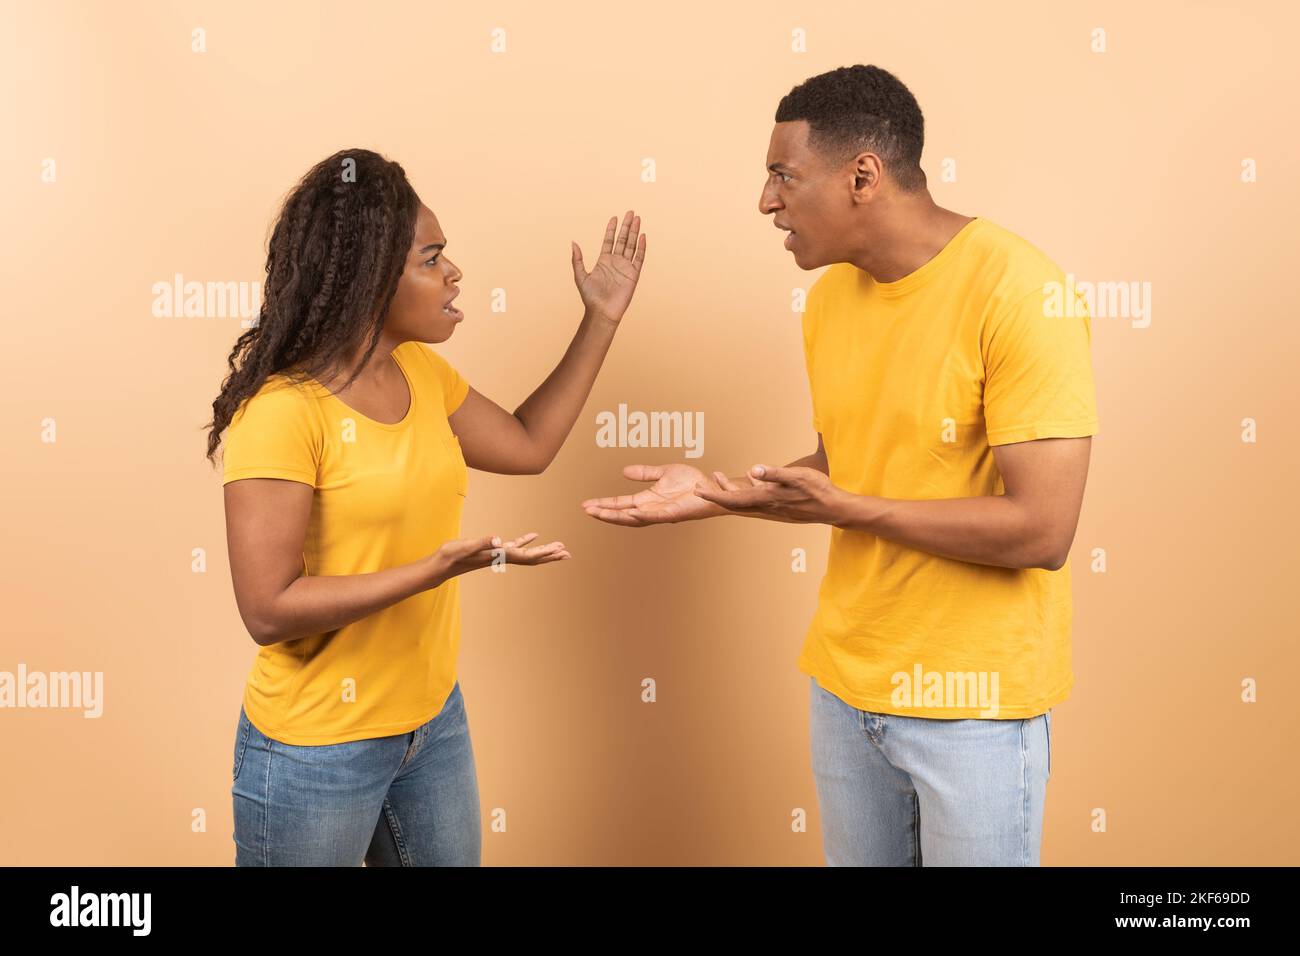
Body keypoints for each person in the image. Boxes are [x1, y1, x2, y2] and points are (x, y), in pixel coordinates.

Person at [581, 65, 1098, 866]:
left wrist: (848, 508)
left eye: (783, 175)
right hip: (845, 690)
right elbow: (840, 469)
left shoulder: (1022, 292)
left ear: (863, 175)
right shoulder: (829, 299)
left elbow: (1043, 529)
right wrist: (721, 494)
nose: (765, 201)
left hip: (976, 708)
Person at [205, 147, 647, 866]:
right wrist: (432, 570)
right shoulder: (282, 413)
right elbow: (267, 608)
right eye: (431, 258)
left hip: (431, 726)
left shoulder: (421, 372)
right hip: (318, 748)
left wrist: (600, 318)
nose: (453, 273)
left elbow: (530, 444)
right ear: (370, 280)